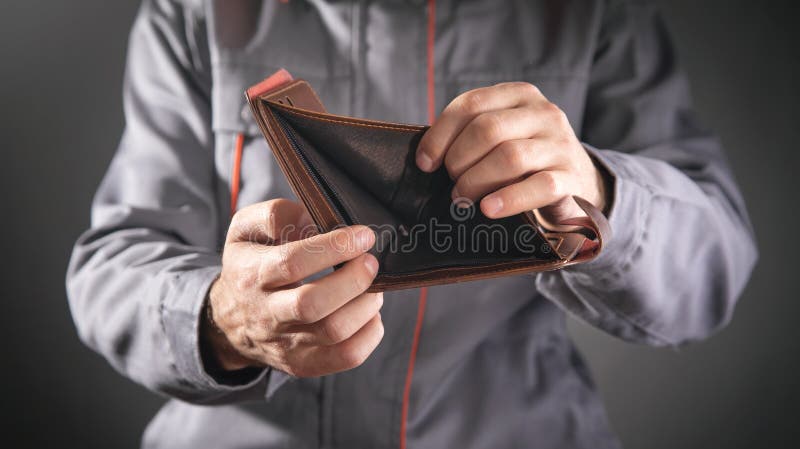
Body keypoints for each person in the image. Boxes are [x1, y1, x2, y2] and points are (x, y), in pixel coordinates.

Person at [66, 1, 758, 448]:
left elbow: (716, 262)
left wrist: (597, 190)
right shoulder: (195, 14)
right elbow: (111, 263)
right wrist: (222, 318)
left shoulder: (597, 15)